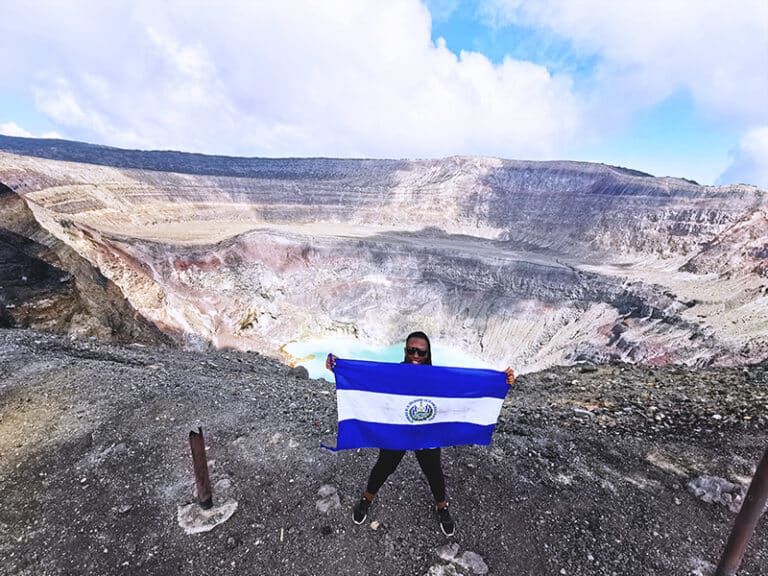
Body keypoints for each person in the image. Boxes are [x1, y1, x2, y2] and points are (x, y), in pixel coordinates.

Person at [326, 330, 515, 537]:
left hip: (427, 433)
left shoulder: (437, 379)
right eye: (412, 351)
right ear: (405, 351)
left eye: (421, 353)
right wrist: (338, 368)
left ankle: (442, 507)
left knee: (433, 471)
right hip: (397, 431)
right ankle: (366, 499)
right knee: (384, 466)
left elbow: (467, 387)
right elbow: (366, 380)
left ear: (428, 354)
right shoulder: (393, 374)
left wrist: (501, 381)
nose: (416, 356)